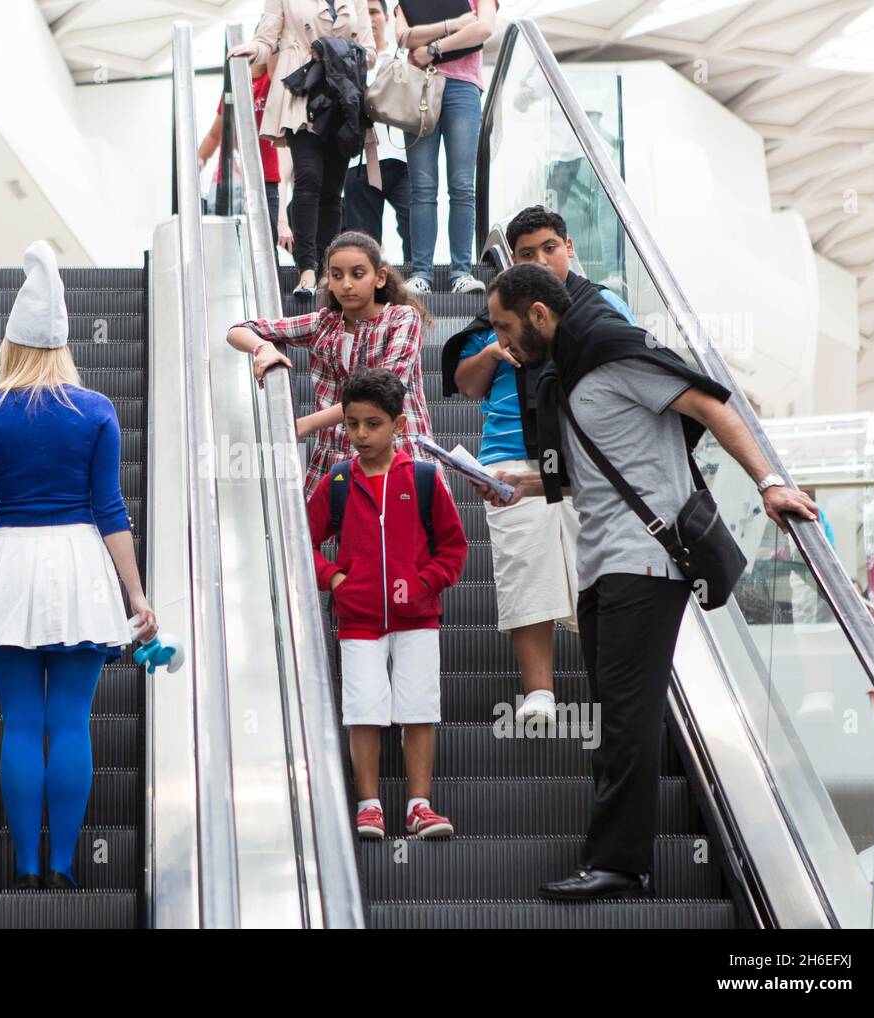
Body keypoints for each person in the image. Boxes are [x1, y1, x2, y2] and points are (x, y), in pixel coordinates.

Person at [479, 263, 818, 900]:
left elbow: (712, 401)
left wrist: (770, 482)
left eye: (504, 325)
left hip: (645, 561)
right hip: (602, 564)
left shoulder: (613, 353)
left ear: (541, 315)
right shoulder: (572, 374)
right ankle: (617, 859)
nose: (501, 340)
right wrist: (522, 485)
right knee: (614, 714)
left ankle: (620, 865)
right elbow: (605, 470)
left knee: (628, 719)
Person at [0, 241, 158, 891]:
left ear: (10, 343)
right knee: (72, 720)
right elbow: (110, 509)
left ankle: (24, 865)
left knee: (21, 721)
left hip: (8, 565)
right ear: (67, 343)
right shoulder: (96, 411)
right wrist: (137, 595)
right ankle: (64, 864)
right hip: (80, 566)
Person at [446, 205, 633, 724]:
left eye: (549, 247)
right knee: (525, 563)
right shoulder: (498, 313)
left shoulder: (602, 306)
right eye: (527, 253)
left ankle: (611, 690)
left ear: (569, 247)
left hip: (583, 456)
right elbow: (464, 384)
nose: (541, 259)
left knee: (592, 567)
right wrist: (493, 354)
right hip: (508, 453)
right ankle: (540, 693)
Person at [307, 368, 467, 839]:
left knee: (418, 707)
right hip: (358, 619)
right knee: (363, 710)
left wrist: (422, 584)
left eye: (373, 424)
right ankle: (369, 805)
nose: (360, 434)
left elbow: (454, 549)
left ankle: (420, 806)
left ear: (399, 425)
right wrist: (335, 579)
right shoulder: (337, 481)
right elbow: (303, 542)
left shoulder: (422, 478)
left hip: (417, 617)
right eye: (353, 423)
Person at [226, 230, 436, 499]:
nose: (346, 284)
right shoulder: (323, 323)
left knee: (401, 535)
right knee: (341, 536)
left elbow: (382, 390)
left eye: (357, 274)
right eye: (337, 275)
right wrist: (263, 347)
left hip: (397, 448)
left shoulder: (401, 318)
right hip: (338, 452)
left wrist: (304, 425)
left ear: (379, 277)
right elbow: (238, 330)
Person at [230, 0, 376, 299]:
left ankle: (327, 271)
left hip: (342, 96)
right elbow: (266, 39)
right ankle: (307, 269)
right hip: (301, 95)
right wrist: (249, 50)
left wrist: (333, 50)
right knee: (308, 179)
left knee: (333, 190)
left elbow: (370, 51)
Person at [394, 0, 497, 294]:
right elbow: (404, 38)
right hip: (419, 87)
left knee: (462, 185)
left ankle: (461, 272)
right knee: (422, 187)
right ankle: (421, 273)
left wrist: (433, 48)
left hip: (462, 88)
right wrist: (454, 25)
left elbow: (484, 27)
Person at [342, 1, 412, 264]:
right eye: (364, 13)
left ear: (386, 16)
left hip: (402, 157)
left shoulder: (402, 57)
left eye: (374, 12)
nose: (370, 19)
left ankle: (416, 285)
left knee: (413, 228)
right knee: (363, 242)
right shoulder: (346, 59)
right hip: (358, 162)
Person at [198, 53, 284, 230]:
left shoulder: (271, 83)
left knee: (266, 237)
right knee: (226, 240)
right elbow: (215, 135)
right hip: (229, 178)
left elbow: (276, 75)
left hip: (264, 177)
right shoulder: (234, 88)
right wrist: (196, 166)